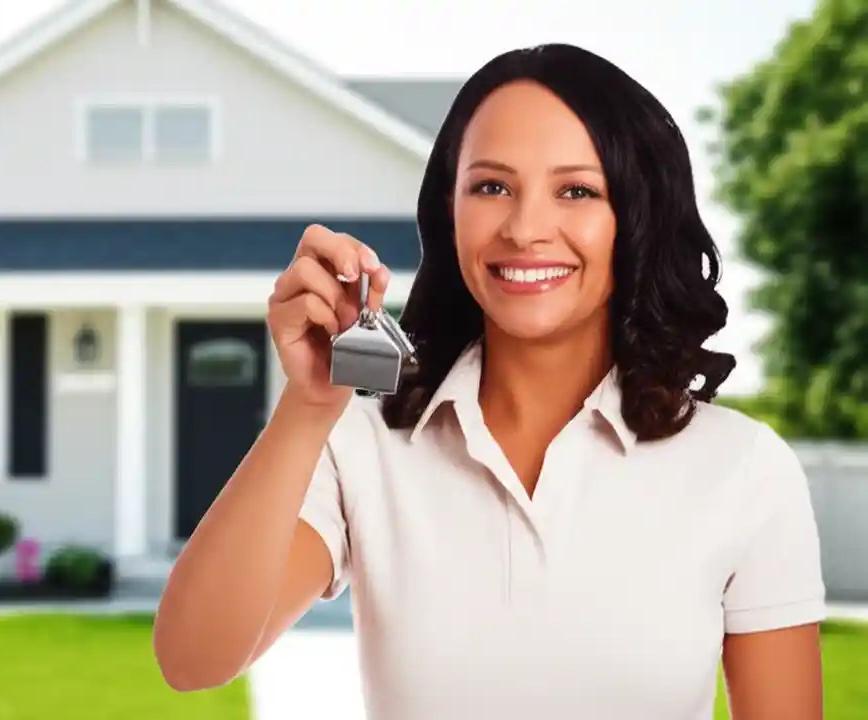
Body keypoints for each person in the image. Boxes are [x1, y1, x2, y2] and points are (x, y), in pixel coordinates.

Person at [153, 43, 826, 719]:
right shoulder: (362, 445)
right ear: (450, 210)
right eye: (491, 187)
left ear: (636, 217)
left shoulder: (745, 470)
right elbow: (193, 658)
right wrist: (307, 406)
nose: (526, 230)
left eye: (577, 191)